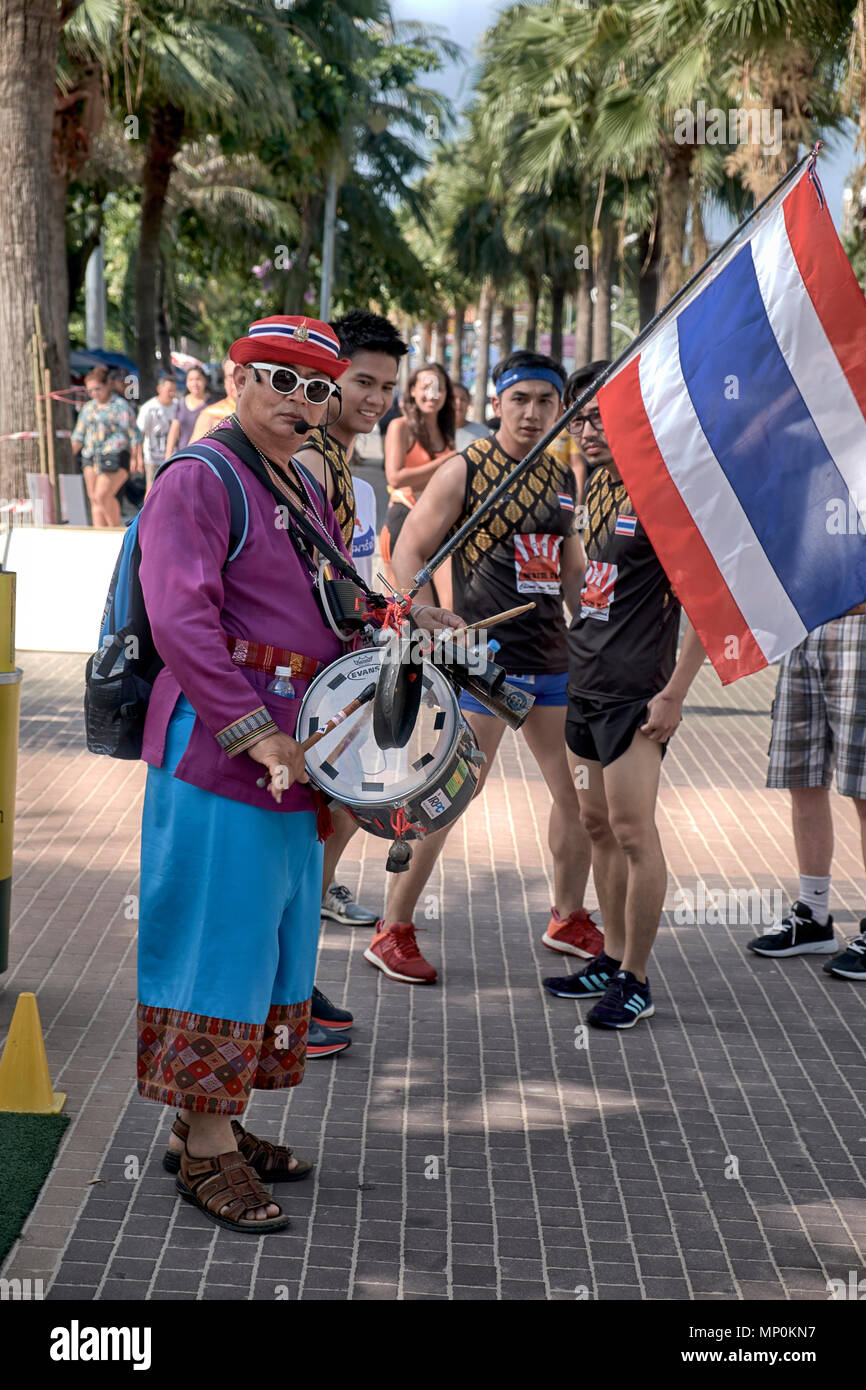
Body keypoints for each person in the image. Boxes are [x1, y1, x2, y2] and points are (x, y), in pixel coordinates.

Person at [135, 314, 457, 1231]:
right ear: (236, 378)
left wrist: (398, 618)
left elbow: (327, 597)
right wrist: (252, 733)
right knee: (219, 943)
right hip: (224, 751)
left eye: (316, 387)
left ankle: (213, 1127)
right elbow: (182, 620)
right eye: (278, 379)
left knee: (272, 944)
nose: (299, 400)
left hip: (296, 752)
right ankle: (202, 1152)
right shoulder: (201, 479)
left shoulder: (297, 482)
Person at [369, 349, 602, 986]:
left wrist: (596, 622)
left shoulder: (561, 475)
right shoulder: (465, 468)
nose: (532, 413)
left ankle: (567, 915)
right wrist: (420, 614)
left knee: (580, 801)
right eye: (520, 399)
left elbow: (572, 566)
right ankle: (393, 929)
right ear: (496, 403)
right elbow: (409, 547)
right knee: (448, 798)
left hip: (555, 664)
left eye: (545, 401)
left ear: (559, 408)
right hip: (484, 667)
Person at [542, 365, 708, 1028]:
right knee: (597, 825)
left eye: (600, 417)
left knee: (636, 832)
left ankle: (636, 977)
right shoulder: (596, 488)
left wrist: (675, 692)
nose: (586, 430)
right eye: (580, 418)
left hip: (637, 698)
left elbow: (703, 600)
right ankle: (610, 959)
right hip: (583, 687)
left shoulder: (663, 493)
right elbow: (590, 586)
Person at [293, 309, 407, 930]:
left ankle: (320, 894)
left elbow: (355, 578)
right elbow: (305, 585)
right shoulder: (305, 464)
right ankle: (293, 989)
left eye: (387, 387)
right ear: (327, 377)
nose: (376, 399)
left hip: (344, 670)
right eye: (363, 381)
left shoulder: (358, 484)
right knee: (323, 814)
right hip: (303, 678)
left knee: (341, 810)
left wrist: (403, 611)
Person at [746, 607, 866, 979]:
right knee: (803, 777)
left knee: (863, 788)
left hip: (860, 627)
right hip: (805, 627)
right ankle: (813, 916)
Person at [379, 362, 458, 599]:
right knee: (408, 611)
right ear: (412, 390)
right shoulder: (400, 426)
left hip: (440, 526)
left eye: (439, 388)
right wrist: (448, 462)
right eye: (426, 387)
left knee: (445, 611)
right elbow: (395, 477)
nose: (432, 395)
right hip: (404, 519)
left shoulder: (446, 432)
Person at [71, 365, 143, 527]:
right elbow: (78, 435)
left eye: (97, 389)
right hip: (90, 456)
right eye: (90, 390)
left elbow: (134, 434)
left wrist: (136, 459)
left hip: (115, 456)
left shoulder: (120, 405)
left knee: (103, 495)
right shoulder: (88, 408)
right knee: (94, 499)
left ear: (107, 385)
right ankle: (99, 534)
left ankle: (114, 531)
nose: (94, 393)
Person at [137, 373, 178, 491]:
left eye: (174, 391)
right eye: (169, 390)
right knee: (151, 489)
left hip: (173, 455)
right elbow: (140, 433)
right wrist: (139, 458)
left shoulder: (178, 405)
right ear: (159, 389)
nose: (172, 394)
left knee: (172, 489)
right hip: (152, 457)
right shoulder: (148, 408)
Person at [165, 365, 211, 454]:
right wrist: (168, 455)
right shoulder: (181, 403)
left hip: (204, 456)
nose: (194, 383)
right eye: (191, 380)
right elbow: (174, 431)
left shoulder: (213, 404)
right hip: (183, 455)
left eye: (198, 379)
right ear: (186, 383)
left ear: (205, 381)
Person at [189, 356, 238, 441]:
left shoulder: (263, 413)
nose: (237, 380)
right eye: (231, 376)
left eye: (242, 375)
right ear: (225, 381)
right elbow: (193, 452)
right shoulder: (211, 415)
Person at [452, 380, 492, 451]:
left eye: (463, 399)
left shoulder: (482, 431)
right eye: (453, 398)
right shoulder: (436, 432)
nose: (458, 403)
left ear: (469, 403)